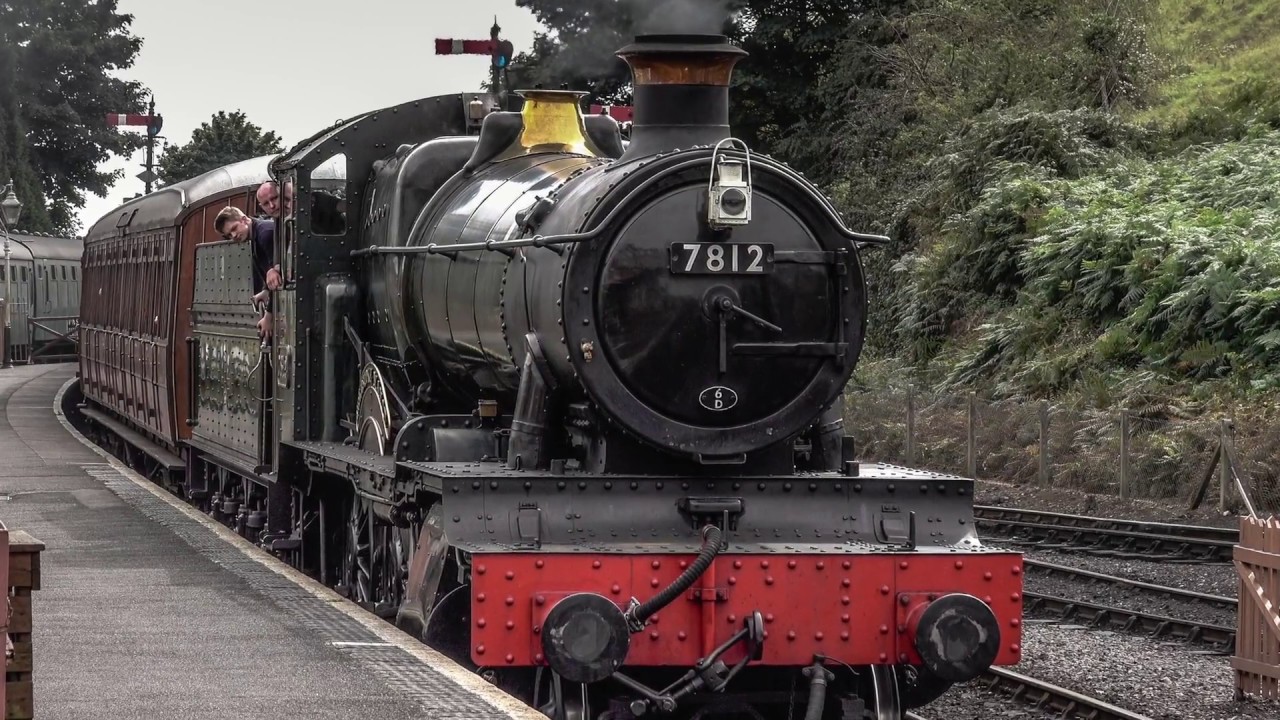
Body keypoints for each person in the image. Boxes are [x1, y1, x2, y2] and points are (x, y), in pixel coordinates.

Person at [213, 206, 276, 339]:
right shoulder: (255, 237)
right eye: (229, 235)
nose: (234, 236)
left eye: (234, 229)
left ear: (244, 220)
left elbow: (278, 279)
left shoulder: (265, 234)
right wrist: (265, 290)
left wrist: (268, 317)